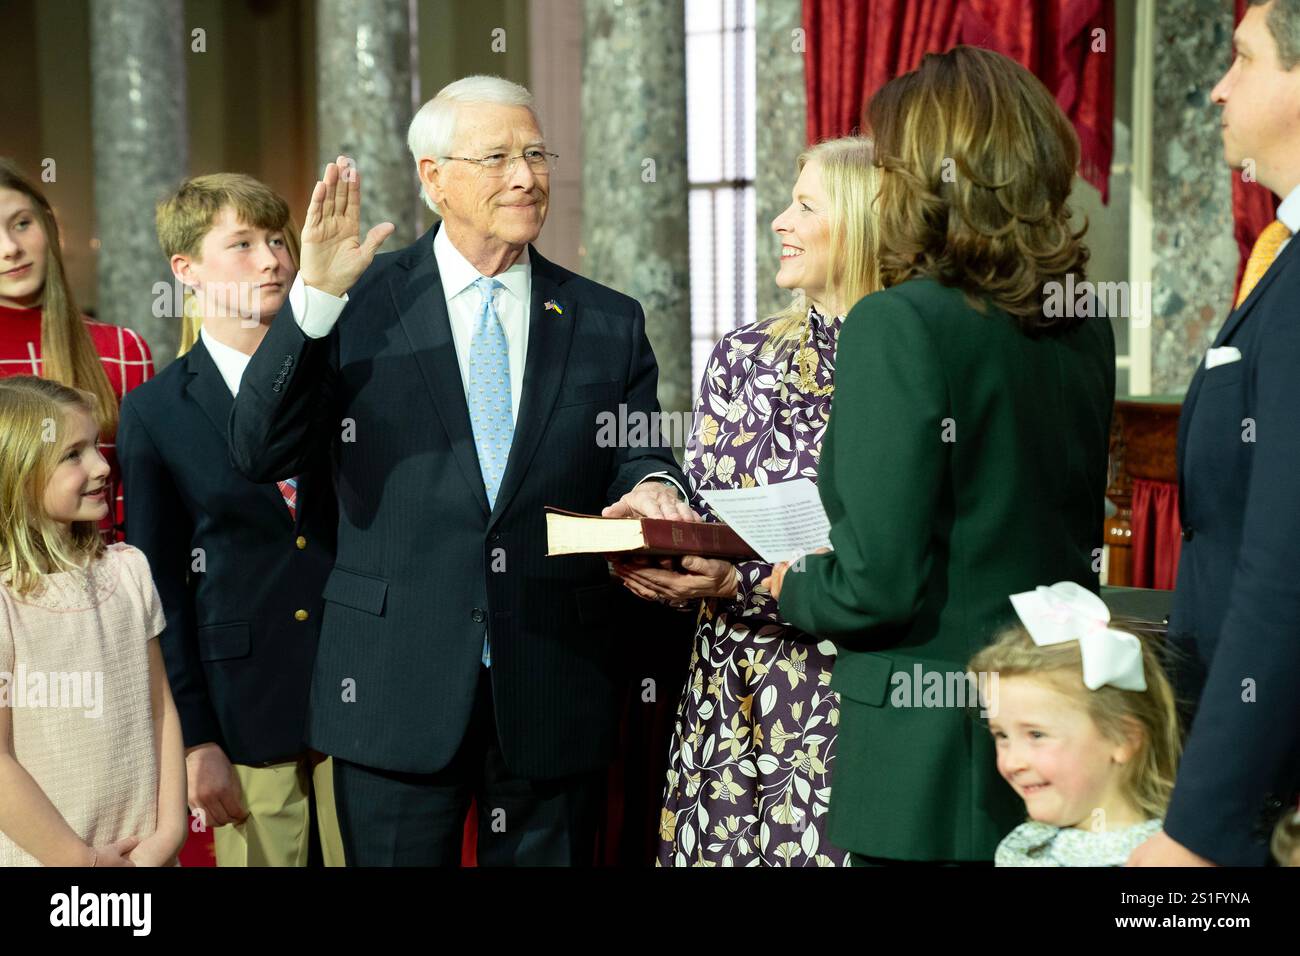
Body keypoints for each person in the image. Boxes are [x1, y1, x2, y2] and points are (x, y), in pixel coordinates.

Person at [227, 75, 689, 866]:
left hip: (553, 679)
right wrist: (311, 301)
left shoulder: (607, 319)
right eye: (499, 157)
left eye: (537, 153)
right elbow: (258, 449)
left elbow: (637, 448)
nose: (526, 176)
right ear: (433, 178)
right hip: (391, 681)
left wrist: (653, 487)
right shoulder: (354, 303)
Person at [767, 46, 1115, 865]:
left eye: (888, 164)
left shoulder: (900, 323)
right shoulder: (1082, 317)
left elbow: (874, 586)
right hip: (1047, 733)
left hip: (926, 771)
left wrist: (795, 588)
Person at [615, 137, 879, 866]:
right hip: (726, 698)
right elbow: (710, 513)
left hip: (836, 695)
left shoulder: (907, 364)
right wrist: (658, 530)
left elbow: (886, 554)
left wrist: (745, 582)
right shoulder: (745, 353)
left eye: (805, 206)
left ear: (863, 225)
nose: (779, 222)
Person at [118, 173, 344, 867]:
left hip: (357, 695)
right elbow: (161, 592)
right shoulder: (155, 411)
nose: (273, 259)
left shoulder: (342, 378)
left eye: (278, 240)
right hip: (242, 708)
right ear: (185, 270)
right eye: (242, 244)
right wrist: (195, 738)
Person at [1130, 0, 1300, 867]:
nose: (1217, 90)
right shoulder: (1281, 255)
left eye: (1244, 59)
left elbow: (1285, 564)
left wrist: (1202, 823)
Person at [0, 376, 186, 866]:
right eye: (73, 455)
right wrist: (82, 861)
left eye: (98, 447)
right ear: (18, 473)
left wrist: (168, 835)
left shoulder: (128, 571)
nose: (103, 466)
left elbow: (160, 708)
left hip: (145, 855)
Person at [968, 582, 1180, 867]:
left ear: (1123, 739)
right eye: (1001, 735)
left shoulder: (1159, 859)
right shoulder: (1024, 844)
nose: (1013, 762)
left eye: (1036, 734)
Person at [0, 159, 155, 542]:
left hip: (104, 580)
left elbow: (137, 501)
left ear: (48, 227)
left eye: (22, 223)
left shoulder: (122, 349)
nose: (10, 249)